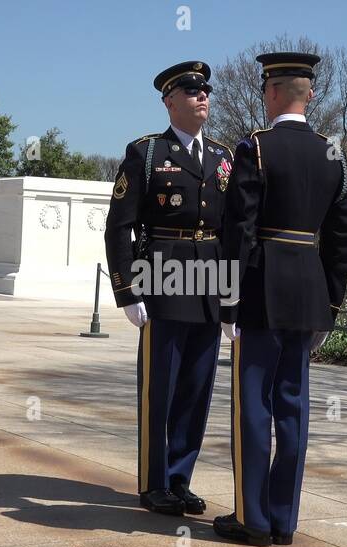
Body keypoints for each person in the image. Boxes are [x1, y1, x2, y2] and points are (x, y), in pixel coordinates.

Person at [213, 52, 347, 546]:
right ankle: (282, 520)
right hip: (308, 294)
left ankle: (252, 519)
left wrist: (228, 302)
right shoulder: (333, 152)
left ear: (271, 92)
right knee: (292, 408)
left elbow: (239, 232)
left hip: (259, 293)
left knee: (253, 405)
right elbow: (342, 237)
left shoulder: (255, 147)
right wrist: (330, 305)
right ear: (310, 94)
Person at [103, 61, 234, 517]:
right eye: (192, 90)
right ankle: (153, 482)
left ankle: (180, 479)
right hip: (161, 281)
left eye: (206, 91)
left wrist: (232, 299)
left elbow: (234, 232)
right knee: (160, 388)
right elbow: (118, 227)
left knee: (197, 390)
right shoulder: (147, 153)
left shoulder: (222, 158)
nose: (203, 97)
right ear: (169, 100)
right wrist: (127, 291)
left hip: (209, 284)